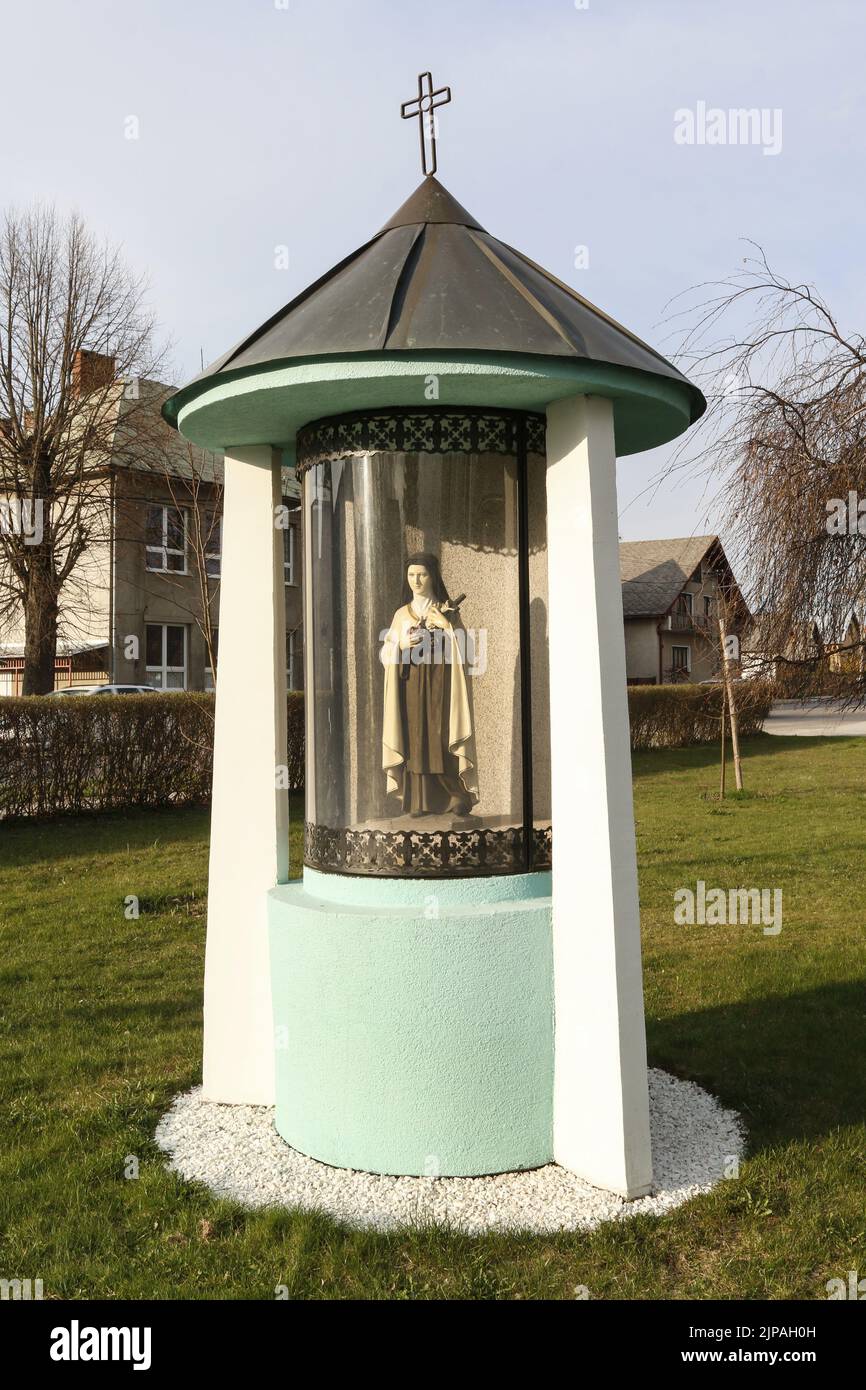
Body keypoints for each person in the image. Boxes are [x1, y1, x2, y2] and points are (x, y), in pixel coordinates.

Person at [381, 552, 478, 818]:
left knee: (440, 734)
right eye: (411, 574)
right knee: (417, 736)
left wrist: (446, 625)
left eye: (422, 574)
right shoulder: (402, 614)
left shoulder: (447, 609)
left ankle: (455, 796)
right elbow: (385, 651)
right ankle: (420, 800)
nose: (416, 580)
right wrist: (401, 645)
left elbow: (468, 652)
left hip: (442, 684)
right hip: (411, 685)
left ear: (432, 576)